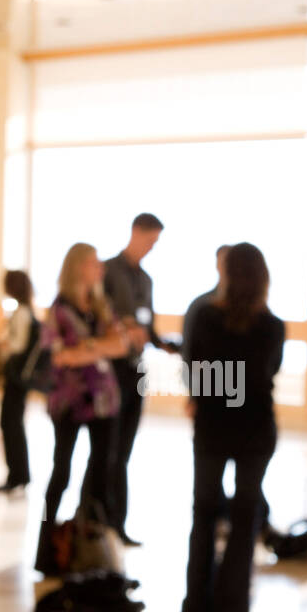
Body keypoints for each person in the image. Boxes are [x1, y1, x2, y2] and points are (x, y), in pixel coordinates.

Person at [181, 243, 284, 612]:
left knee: (204, 513)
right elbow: (267, 373)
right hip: (256, 428)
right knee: (245, 517)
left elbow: (196, 372)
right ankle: (232, 609)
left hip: (212, 426)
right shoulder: (272, 327)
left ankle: (196, 606)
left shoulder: (206, 317)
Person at [35, 243, 128, 568]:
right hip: (69, 402)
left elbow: (120, 345)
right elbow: (60, 355)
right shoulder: (59, 310)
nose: (99, 269)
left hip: (104, 400)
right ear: (77, 267)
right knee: (60, 473)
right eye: (92, 263)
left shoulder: (102, 306)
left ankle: (93, 544)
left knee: (102, 471)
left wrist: (87, 348)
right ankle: (46, 547)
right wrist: (97, 347)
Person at [101, 213, 179, 545]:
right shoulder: (107, 272)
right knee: (108, 450)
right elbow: (99, 316)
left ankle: (118, 522)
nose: (151, 247)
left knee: (124, 451)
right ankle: (100, 520)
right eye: (149, 240)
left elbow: (149, 326)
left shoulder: (146, 280)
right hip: (110, 370)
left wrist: (165, 343)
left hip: (136, 369)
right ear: (136, 232)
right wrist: (122, 328)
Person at [0, 270, 39, 493]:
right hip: (20, 378)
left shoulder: (21, 313)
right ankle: (19, 474)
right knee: (13, 423)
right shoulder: (26, 311)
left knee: (10, 423)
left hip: (16, 377)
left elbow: (18, 345)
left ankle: (17, 475)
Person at [182, 245, 230, 366]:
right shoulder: (201, 306)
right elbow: (190, 353)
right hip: (206, 381)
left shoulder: (252, 311)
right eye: (224, 262)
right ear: (217, 265)